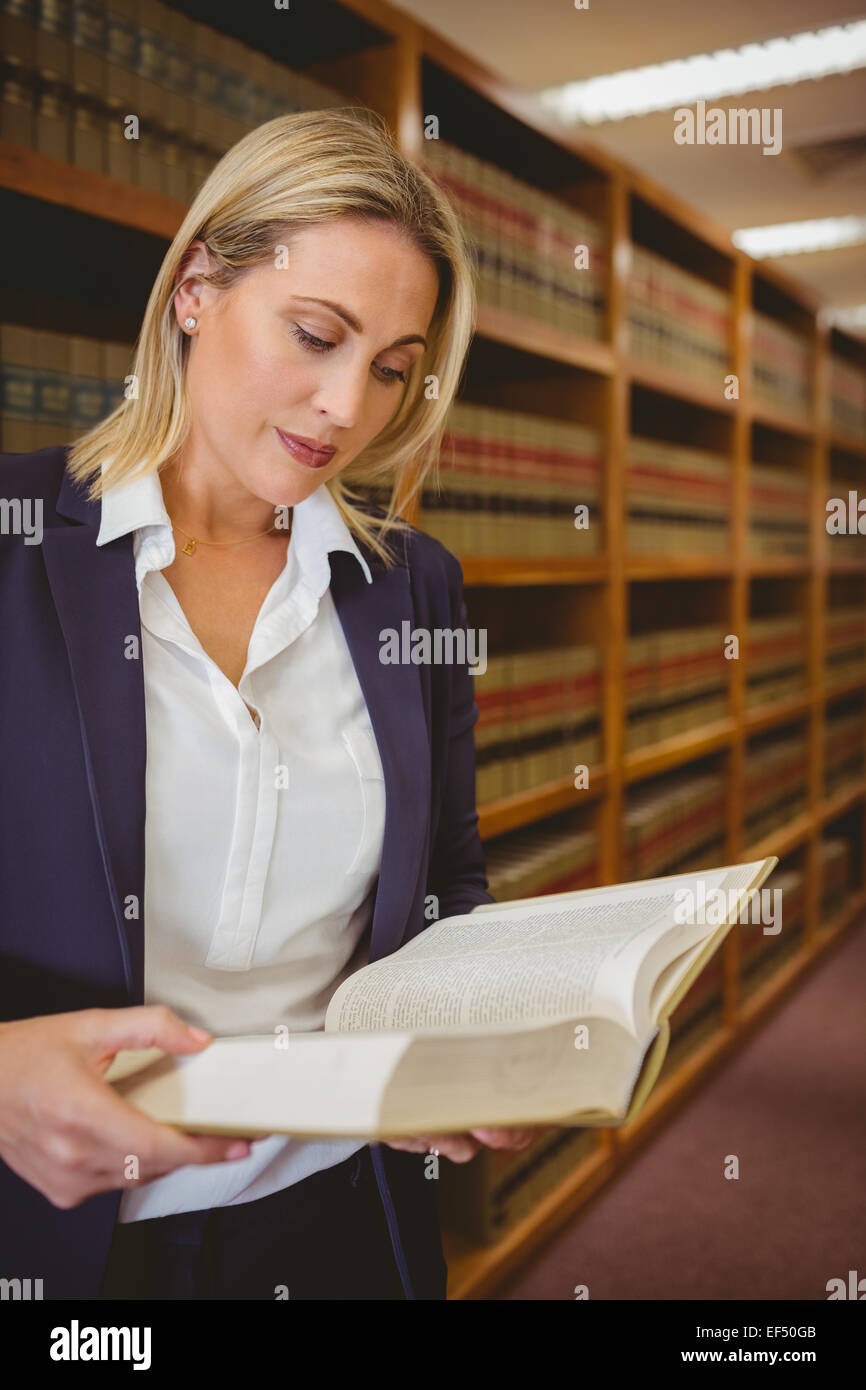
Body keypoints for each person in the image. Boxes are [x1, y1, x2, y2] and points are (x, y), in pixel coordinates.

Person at [0, 107, 541, 1301]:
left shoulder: (416, 583)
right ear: (195, 286)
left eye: (394, 369)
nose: (350, 407)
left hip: (347, 1225)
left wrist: (472, 1043)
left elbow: (447, 876)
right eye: (315, 334)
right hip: (64, 1247)